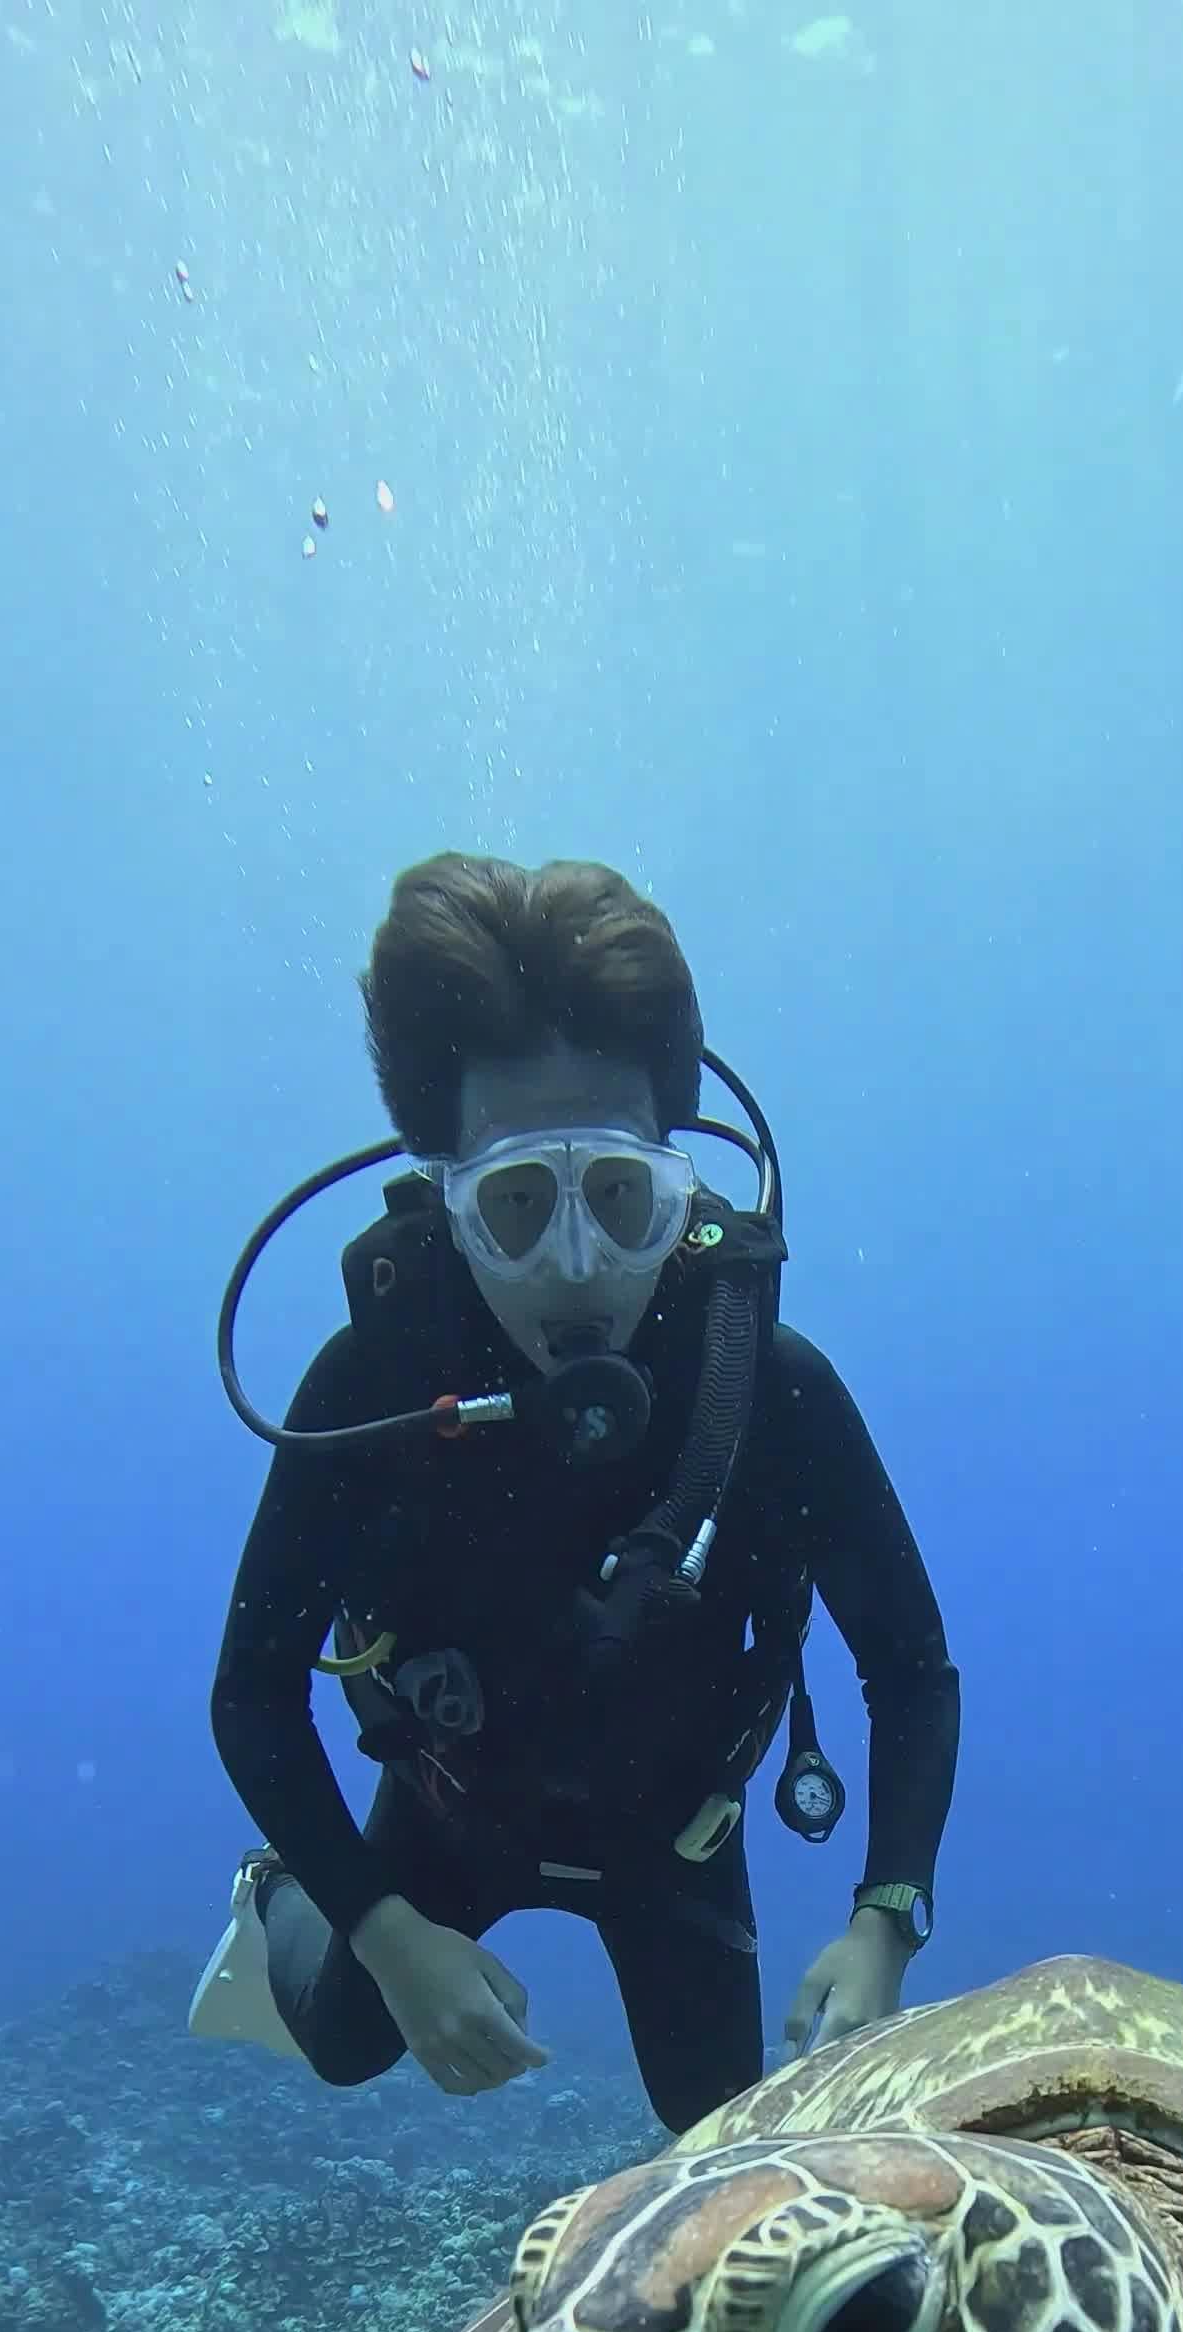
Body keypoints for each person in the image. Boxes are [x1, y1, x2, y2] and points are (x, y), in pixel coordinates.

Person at [189, 854, 959, 2133]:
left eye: (618, 1197)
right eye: (515, 1207)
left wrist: (887, 1923)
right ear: (447, 1198)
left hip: (678, 1836)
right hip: (450, 1804)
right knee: (341, 2041)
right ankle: (280, 1893)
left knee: (723, 2125)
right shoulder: (367, 1389)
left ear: (680, 1184)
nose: (575, 1266)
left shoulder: (772, 1391)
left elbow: (913, 1670)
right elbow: (251, 1693)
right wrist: (382, 1932)